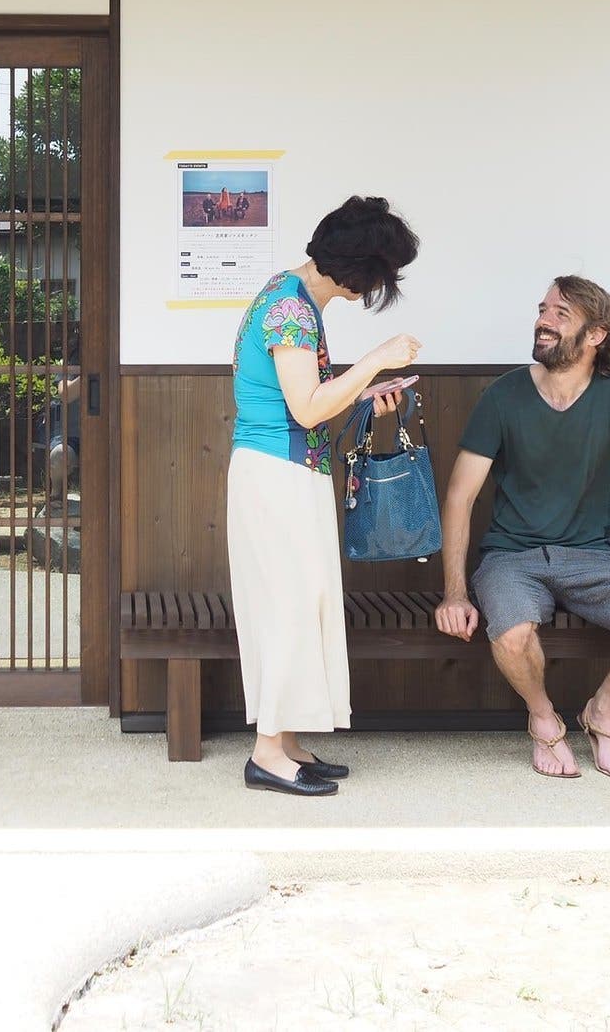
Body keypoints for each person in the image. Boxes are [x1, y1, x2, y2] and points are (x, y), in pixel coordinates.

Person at [433, 277, 610, 778]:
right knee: (510, 634)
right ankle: (544, 718)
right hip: (512, 559)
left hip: (595, 560)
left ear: (596, 335)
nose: (544, 320)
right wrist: (455, 593)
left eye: (561, 314)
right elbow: (460, 497)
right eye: (543, 309)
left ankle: (603, 711)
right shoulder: (504, 395)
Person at [228, 196, 421, 796]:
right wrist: (372, 361)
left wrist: (364, 391)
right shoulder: (291, 309)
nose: (377, 289)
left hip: (288, 473)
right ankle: (267, 755)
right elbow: (306, 407)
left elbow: (311, 403)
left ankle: (284, 743)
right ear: (359, 268)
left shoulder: (292, 296)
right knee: (286, 605)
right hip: (276, 476)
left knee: (298, 601)